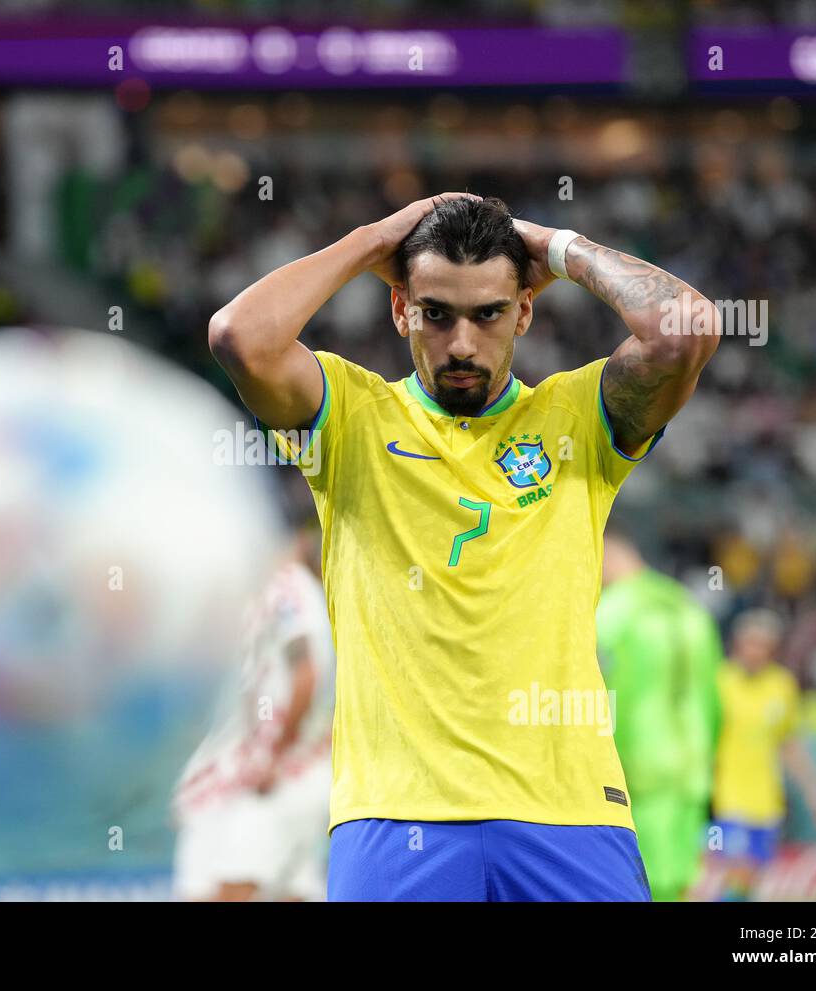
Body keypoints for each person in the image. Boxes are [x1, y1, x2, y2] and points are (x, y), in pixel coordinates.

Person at [208, 193, 720, 900]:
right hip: (395, 820)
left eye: (488, 313)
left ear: (525, 311)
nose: (461, 344)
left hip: (568, 817)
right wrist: (373, 238)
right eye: (435, 312)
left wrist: (559, 247)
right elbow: (240, 335)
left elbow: (684, 334)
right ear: (400, 310)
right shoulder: (349, 418)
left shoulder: (575, 419)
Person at [171, 524, 335, 901]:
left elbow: (307, 674)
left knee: (233, 887)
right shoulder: (256, 594)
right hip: (254, 770)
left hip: (280, 772)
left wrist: (272, 757)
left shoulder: (286, 587)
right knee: (283, 890)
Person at [598, 528, 723, 902]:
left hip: (638, 773)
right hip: (692, 771)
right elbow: (716, 700)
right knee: (682, 880)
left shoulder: (611, 613)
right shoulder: (690, 606)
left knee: (643, 882)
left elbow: (596, 697)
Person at [711, 608, 816, 899]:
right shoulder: (719, 682)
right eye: (750, 643)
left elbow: (789, 744)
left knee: (750, 881)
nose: (755, 652)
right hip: (727, 797)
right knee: (735, 872)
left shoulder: (782, 686)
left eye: (762, 645)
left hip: (767, 802)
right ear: (737, 644)